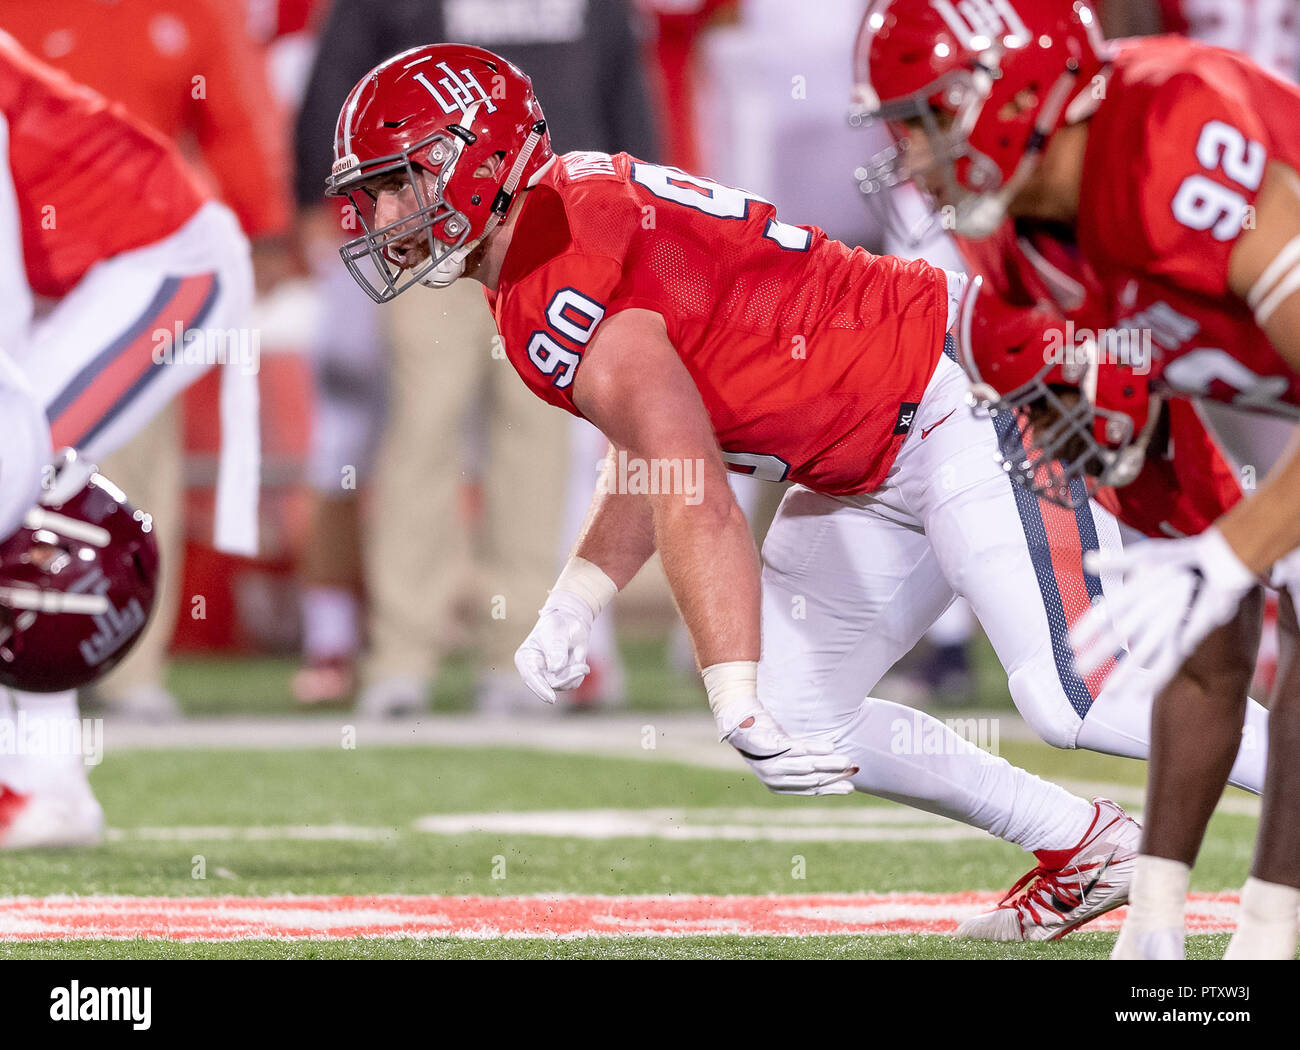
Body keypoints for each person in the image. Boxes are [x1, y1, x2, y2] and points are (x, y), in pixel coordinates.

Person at [322, 42, 1274, 942]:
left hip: (962, 386)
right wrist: (583, 593)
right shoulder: (552, 226)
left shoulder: (549, 268)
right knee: (800, 705)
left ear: (479, 155)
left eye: (400, 178)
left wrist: (723, 681)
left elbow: (690, 476)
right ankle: (1087, 846)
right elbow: (659, 433)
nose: (385, 212)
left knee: (1076, 694)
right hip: (862, 456)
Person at [852, 0, 1300, 958]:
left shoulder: (1170, 138)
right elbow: (1208, 636)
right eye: (905, 130)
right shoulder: (1007, 248)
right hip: (1263, 378)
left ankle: (1270, 932)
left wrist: (1233, 552)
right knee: (1217, 615)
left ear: (1014, 83)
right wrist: (1157, 920)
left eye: (933, 119)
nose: (919, 160)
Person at [0, 32, 256, 848]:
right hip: (90, 282)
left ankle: (39, 788)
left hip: (169, 266)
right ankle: (44, 784)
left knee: (7, 474)